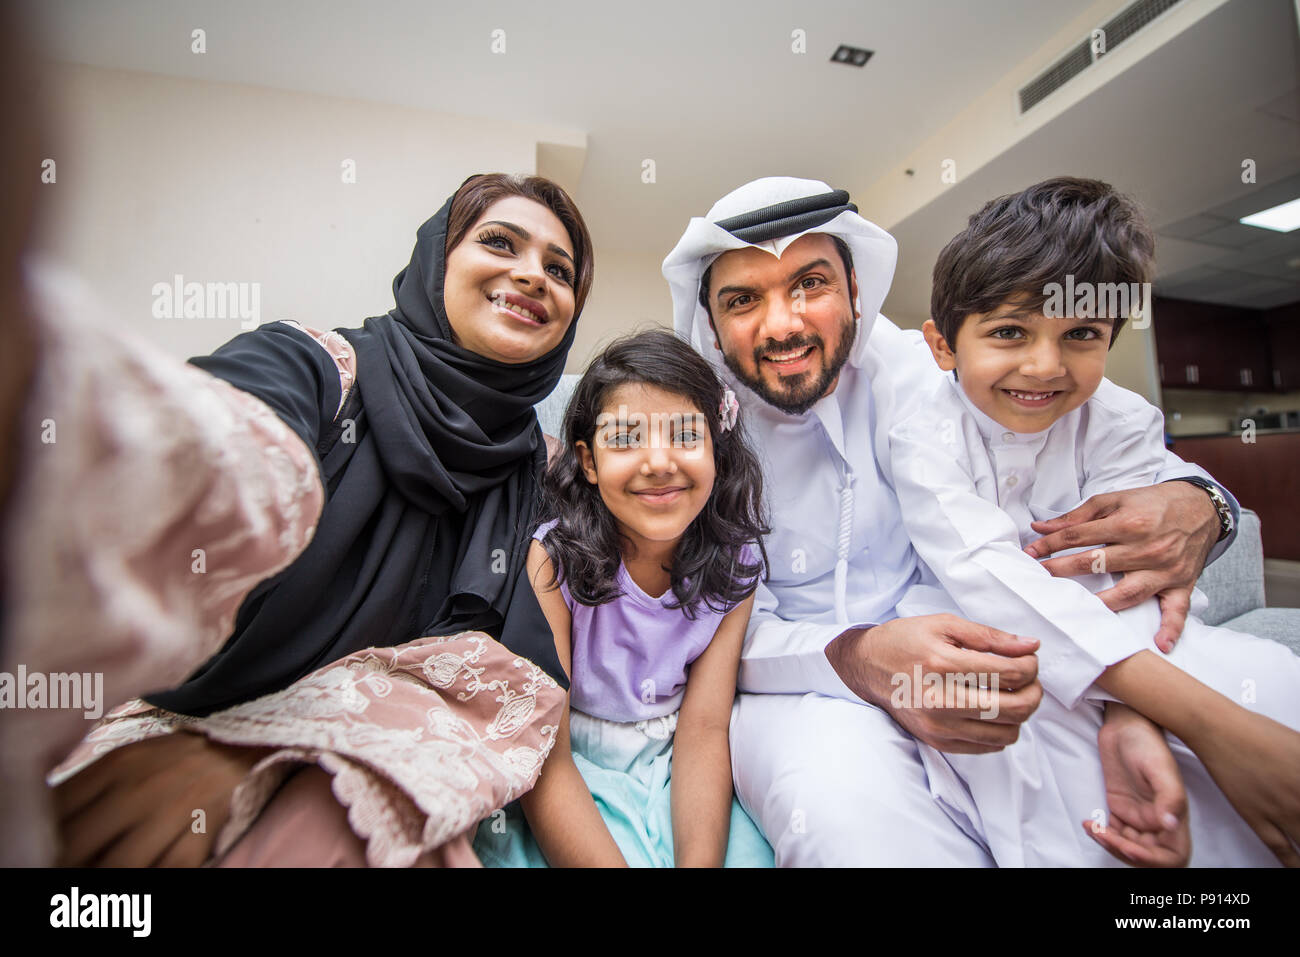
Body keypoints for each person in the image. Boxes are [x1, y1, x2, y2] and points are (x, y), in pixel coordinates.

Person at [661, 176, 1244, 866]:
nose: (783, 323)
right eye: (743, 299)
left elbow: (1086, 420)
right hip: (800, 689)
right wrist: (862, 657)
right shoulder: (688, 437)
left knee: (1140, 812)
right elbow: (710, 631)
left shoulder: (917, 366)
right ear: (711, 322)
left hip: (973, 649)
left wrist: (1206, 503)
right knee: (850, 830)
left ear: (854, 288)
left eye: (810, 284)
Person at [50, 172, 596, 867]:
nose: (532, 275)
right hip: (163, 747)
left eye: (559, 268)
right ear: (436, 262)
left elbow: (501, 679)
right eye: (499, 242)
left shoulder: (536, 477)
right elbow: (210, 450)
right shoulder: (317, 369)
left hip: (363, 770)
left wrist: (256, 755)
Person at [888, 176, 1300, 867]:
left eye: (1080, 334)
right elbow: (992, 581)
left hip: (1138, 644)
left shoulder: (1124, 418)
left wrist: (1138, 709)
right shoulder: (924, 435)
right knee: (1038, 767)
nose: (1044, 365)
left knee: (1274, 684)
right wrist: (1213, 726)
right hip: (996, 642)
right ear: (942, 346)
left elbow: (1142, 577)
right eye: (1009, 332)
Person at [472, 330, 774, 867]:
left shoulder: (736, 562)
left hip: (680, 763)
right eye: (627, 438)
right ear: (588, 462)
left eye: (684, 435)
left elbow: (703, 728)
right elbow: (546, 747)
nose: (658, 463)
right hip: (566, 766)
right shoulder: (553, 561)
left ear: (717, 452)